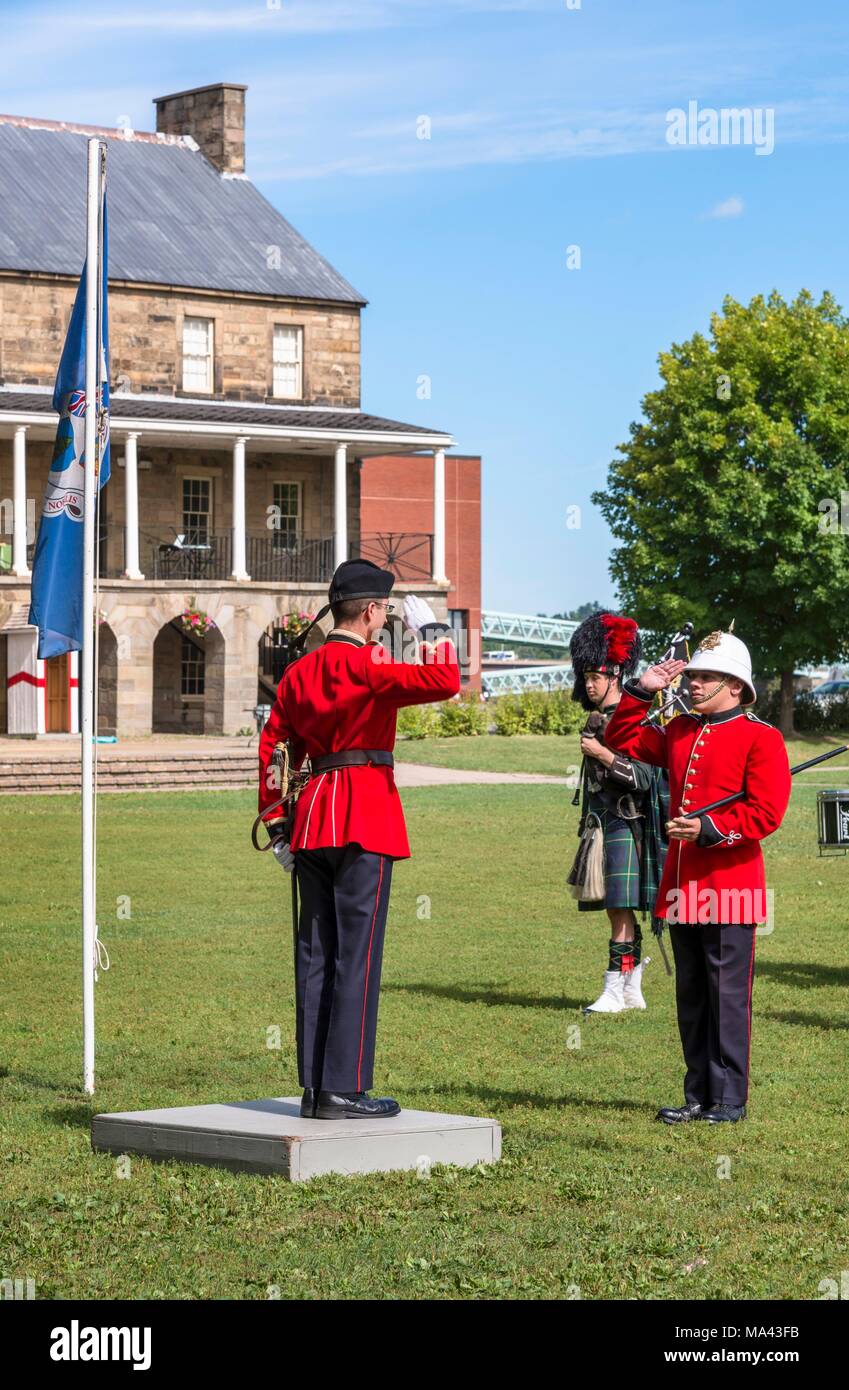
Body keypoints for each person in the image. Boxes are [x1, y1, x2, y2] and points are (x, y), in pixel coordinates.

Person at [257, 559, 460, 1121]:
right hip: (364, 812)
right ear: (371, 612)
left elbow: (273, 751)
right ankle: (344, 1087)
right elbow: (444, 681)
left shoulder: (298, 673)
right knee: (358, 956)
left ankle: (315, 1086)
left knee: (316, 952)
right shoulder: (372, 663)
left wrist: (277, 823)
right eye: (385, 611)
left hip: (311, 818)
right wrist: (438, 634)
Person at [603, 629, 791, 1124]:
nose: (695, 683)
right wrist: (641, 691)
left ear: (735, 685)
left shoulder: (762, 737)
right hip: (683, 887)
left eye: (706, 676)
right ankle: (697, 1096)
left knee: (726, 996)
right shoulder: (683, 730)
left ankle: (728, 1099)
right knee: (692, 997)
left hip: (730, 888)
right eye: (693, 675)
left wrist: (710, 828)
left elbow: (766, 813)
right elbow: (620, 738)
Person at [568, 613, 669, 1014]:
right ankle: (630, 984)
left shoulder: (637, 717)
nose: (589, 683)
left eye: (597, 675)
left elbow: (643, 777)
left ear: (616, 674)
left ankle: (615, 987)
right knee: (615, 907)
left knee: (618, 908)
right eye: (586, 675)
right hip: (600, 822)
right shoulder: (596, 717)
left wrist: (602, 753)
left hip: (626, 821)